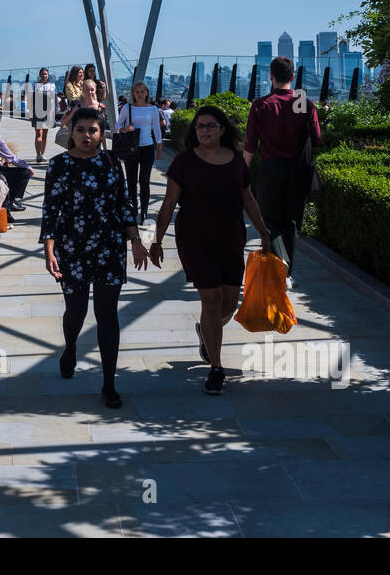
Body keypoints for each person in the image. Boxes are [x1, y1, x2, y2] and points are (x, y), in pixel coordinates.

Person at [151, 106, 273, 396]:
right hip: (195, 239)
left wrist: (264, 232)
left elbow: (248, 198)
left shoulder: (236, 162)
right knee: (212, 297)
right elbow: (168, 204)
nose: (204, 130)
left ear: (222, 129)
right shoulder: (184, 163)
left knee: (229, 302)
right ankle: (216, 367)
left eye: (210, 125)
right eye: (199, 126)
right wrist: (156, 241)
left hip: (231, 237)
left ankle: (206, 333)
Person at [41, 107, 150, 409]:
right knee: (75, 312)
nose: (86, 136)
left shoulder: (111, 162)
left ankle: (109, 383)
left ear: (102, 134)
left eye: (93, 130)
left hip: (109, 245)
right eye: (80, 130)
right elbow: (51, 210)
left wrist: (136, 240)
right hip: (72, 247)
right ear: (71, 132)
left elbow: (123, 203)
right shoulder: (59, 165)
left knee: (107, 314)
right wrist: (49, 250)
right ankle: (71, 348)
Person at [242, 56, 321, 279]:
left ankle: (281, 266)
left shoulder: (261, 105)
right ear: (293, 76)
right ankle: (287, 275)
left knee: (270, 221)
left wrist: (243, 170)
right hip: (298, 171)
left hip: (270, 170)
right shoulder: (303, 102)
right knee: (292, 222)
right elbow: (316, 138)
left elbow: (250, 143)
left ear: (271, 76)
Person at [116, 81, 165, 225]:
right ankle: (133, 209)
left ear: (147, 93)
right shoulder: (127, 107)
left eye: (142, 91)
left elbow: (156, 128)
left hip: (147, 147)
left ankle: (144, 210)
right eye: (137, 91)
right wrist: (124, 129)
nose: (140, 94)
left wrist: (159, 147)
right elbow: (119, 124)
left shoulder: (153, 109)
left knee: (145, 180)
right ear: (133, 93)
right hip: (131, 146)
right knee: (131, 181)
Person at [31, 67, 57, 162]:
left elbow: (54, 99)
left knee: (45, 135)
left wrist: (55, 112)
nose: (44, 75)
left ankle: (42, 154)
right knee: (38, 133)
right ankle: (38, 155)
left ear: (48, 75)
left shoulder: (52, 86)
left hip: (49, 112)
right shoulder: (34, 85)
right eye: (42, 74)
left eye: (46, 74)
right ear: (39, 75)